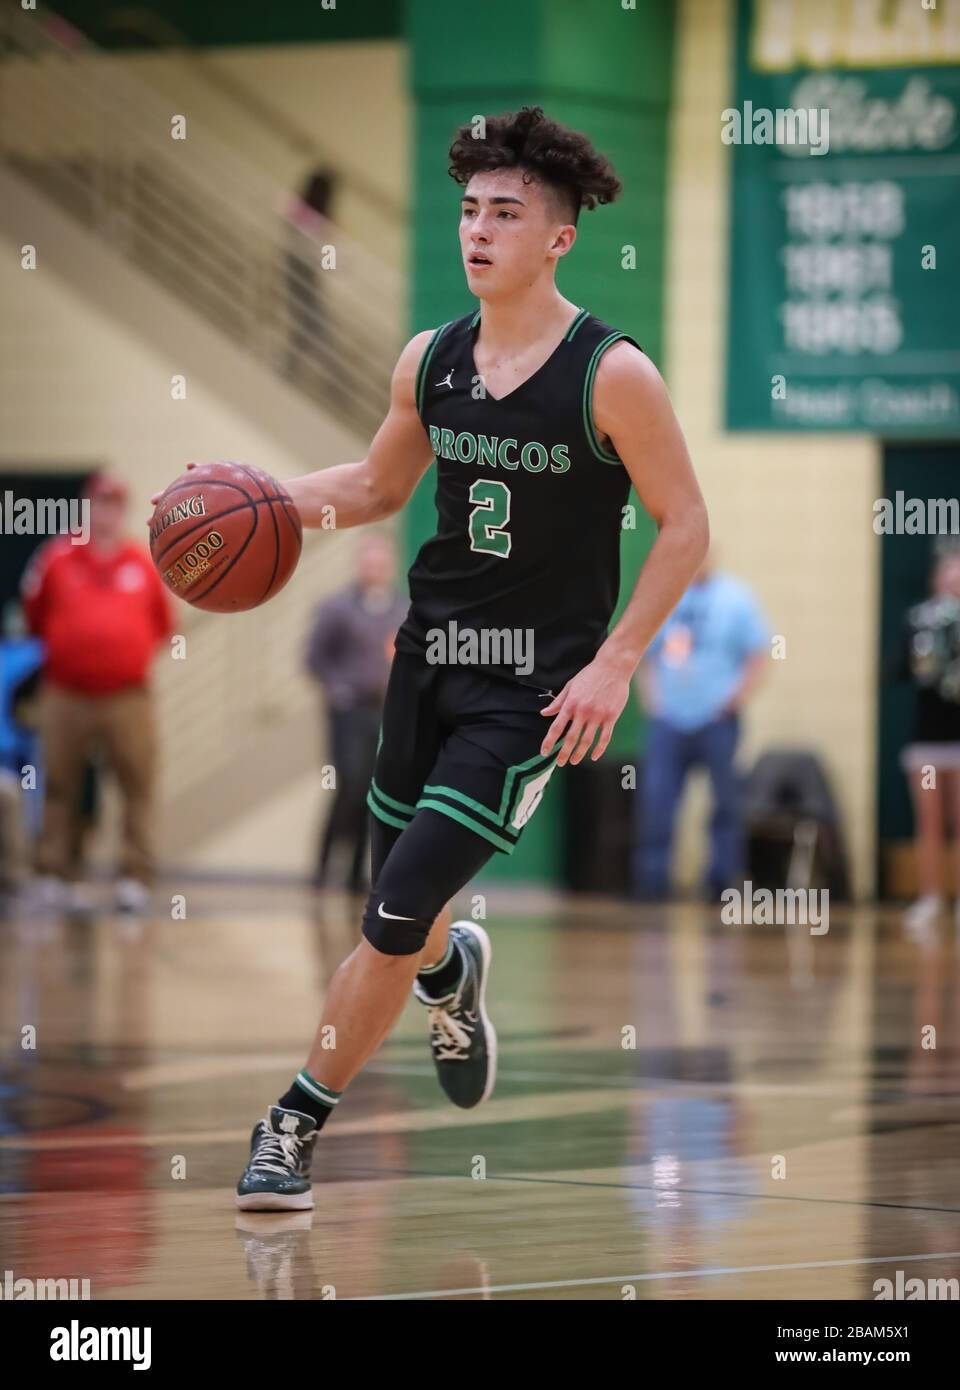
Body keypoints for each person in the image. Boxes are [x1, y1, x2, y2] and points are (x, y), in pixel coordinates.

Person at [165, 105, 708, 1210]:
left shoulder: (612, 374)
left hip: (532, 693)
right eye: (469, 209)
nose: (478, 229)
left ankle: (291, 1124)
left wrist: (617, 662)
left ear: (558, 236)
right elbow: (373, 489)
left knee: (393, 910)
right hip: (427, 663)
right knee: (400, 916)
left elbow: (686, 522)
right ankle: (452, 977)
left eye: (506, 213)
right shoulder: (433, 358)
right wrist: (246, 504)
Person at [21, 472, 172, 913]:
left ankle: (135, 878)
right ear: (87, 508)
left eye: (113, 504)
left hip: (127, 695)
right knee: (60, 783)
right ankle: (54, 871)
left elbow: (162, 626)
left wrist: (120, 654)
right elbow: (35, 616)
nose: (105, 513)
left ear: (121, 511)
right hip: (64, 693)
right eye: (99, 503)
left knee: (138, 784)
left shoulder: (141, 563)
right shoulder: (56, 558)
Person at [633, 553, 770, 901]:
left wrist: (734, 698)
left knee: (725, 802)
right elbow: (644, 655)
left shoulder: (736, 598)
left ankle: (722, 883)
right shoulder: (665, 596)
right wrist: (655, 704)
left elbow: (758, 654)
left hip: (717, 721)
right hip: (669, 722)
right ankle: (653, 883)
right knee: (658, 802)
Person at [304, 532, 407, 892]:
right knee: (349, 782)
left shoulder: (402, 610)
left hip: (384, 712)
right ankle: (323, 866)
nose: (374, 568)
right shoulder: (338, 607)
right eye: (369, 561)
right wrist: (339, 689)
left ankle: (354, 877)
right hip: (348, 711)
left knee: (373, 788)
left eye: (381, 562)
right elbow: (314, 657)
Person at [899, 548, 960, 933]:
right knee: (930, 823)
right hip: (926, 741)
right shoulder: (919, 622)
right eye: (949, 578)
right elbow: (902, 669)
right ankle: (931, 897)